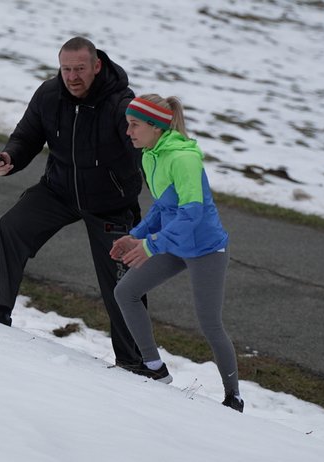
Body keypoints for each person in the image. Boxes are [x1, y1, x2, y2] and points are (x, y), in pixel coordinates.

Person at [0, 37, 147, 371]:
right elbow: (26, 136)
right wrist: (10, 157)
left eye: (80, 69)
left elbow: (145, 144)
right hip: (59, 190)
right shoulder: (49, 94)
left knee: (123, 280)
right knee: (12, 227)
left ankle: (134, 361)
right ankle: (0, 311)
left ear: (97, 66)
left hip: (110, 202)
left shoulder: (120, 103)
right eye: (66, 69)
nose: (72, 76)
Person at [110, 94, 244, 412]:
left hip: (206, 249)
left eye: (134, 125)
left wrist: (150, 246)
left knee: (210, 323)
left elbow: (191, 214)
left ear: (156, 127)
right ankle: (155, 369)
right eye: (128, 124)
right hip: (174, 243)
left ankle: (233, 397)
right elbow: (163, 207)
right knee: (125, 292)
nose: (128, 132)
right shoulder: (150, 155)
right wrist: (136, 236)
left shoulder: (184, 159)